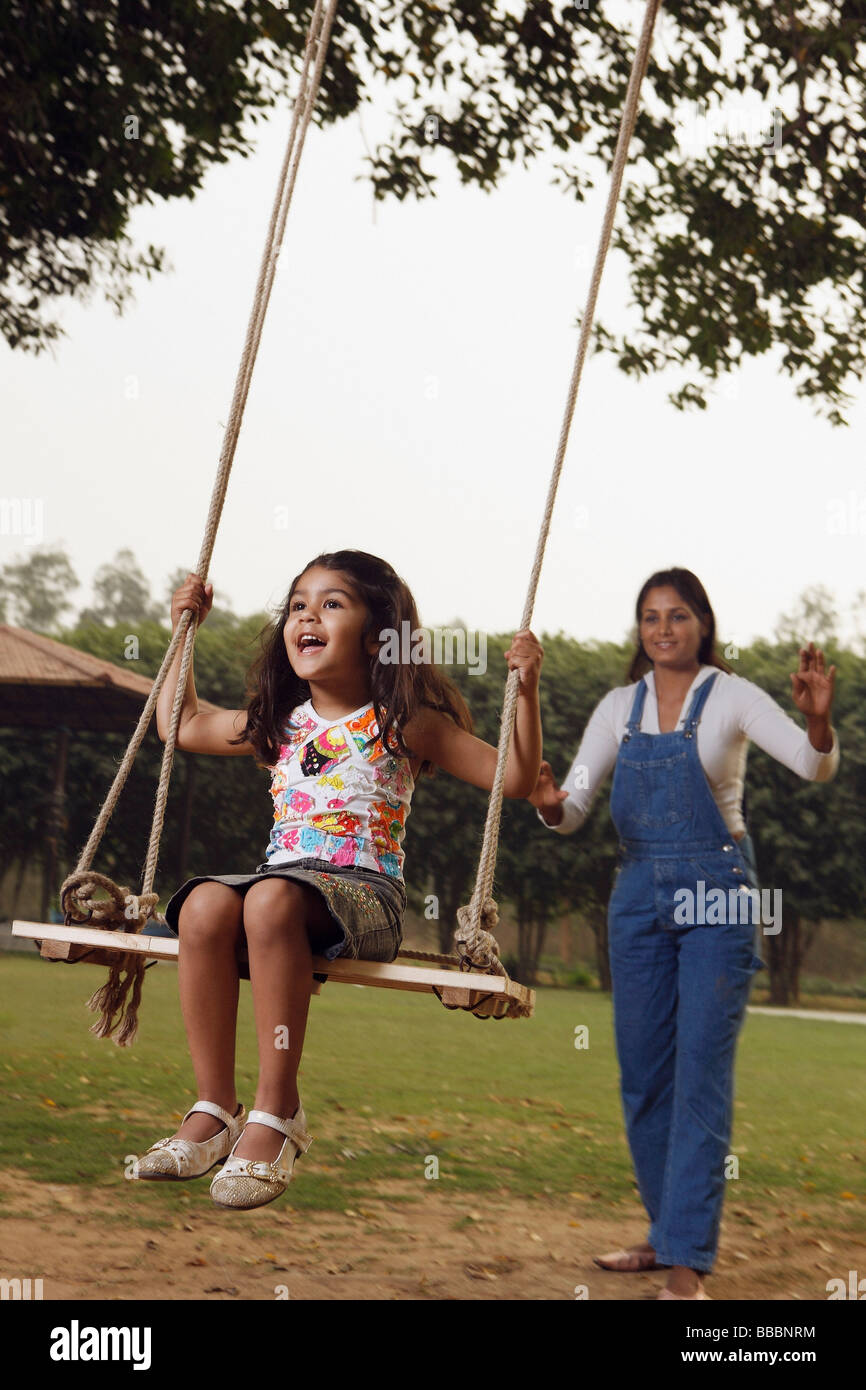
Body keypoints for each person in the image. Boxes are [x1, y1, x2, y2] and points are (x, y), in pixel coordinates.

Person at [136, 550, 543, 1210]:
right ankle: (213, 1108)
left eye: (331, 604)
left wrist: (524, 691)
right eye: (299, 605)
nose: (308, 616)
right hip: (286, 890)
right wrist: (184, 632)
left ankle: (278, 1111)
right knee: (205, 905)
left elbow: (517, 779)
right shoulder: (281, 724)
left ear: (379, 634)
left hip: (365, 896)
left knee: (267, 898)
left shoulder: (405, 724)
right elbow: (178, 724)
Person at [530, 567, 839, 1300]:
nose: (663, 628)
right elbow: (570, 808)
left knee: (700, 1071)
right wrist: (546, 802)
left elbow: (812, 765)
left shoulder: (731, 695)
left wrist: (820, 721)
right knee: (643, 1072)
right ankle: (664, 1230)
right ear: (640, 630)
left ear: (702, 623)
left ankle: (686, 1261)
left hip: (721, 893)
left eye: (677, 615)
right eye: (650, 617)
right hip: (637, 894)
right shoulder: (616, 707)